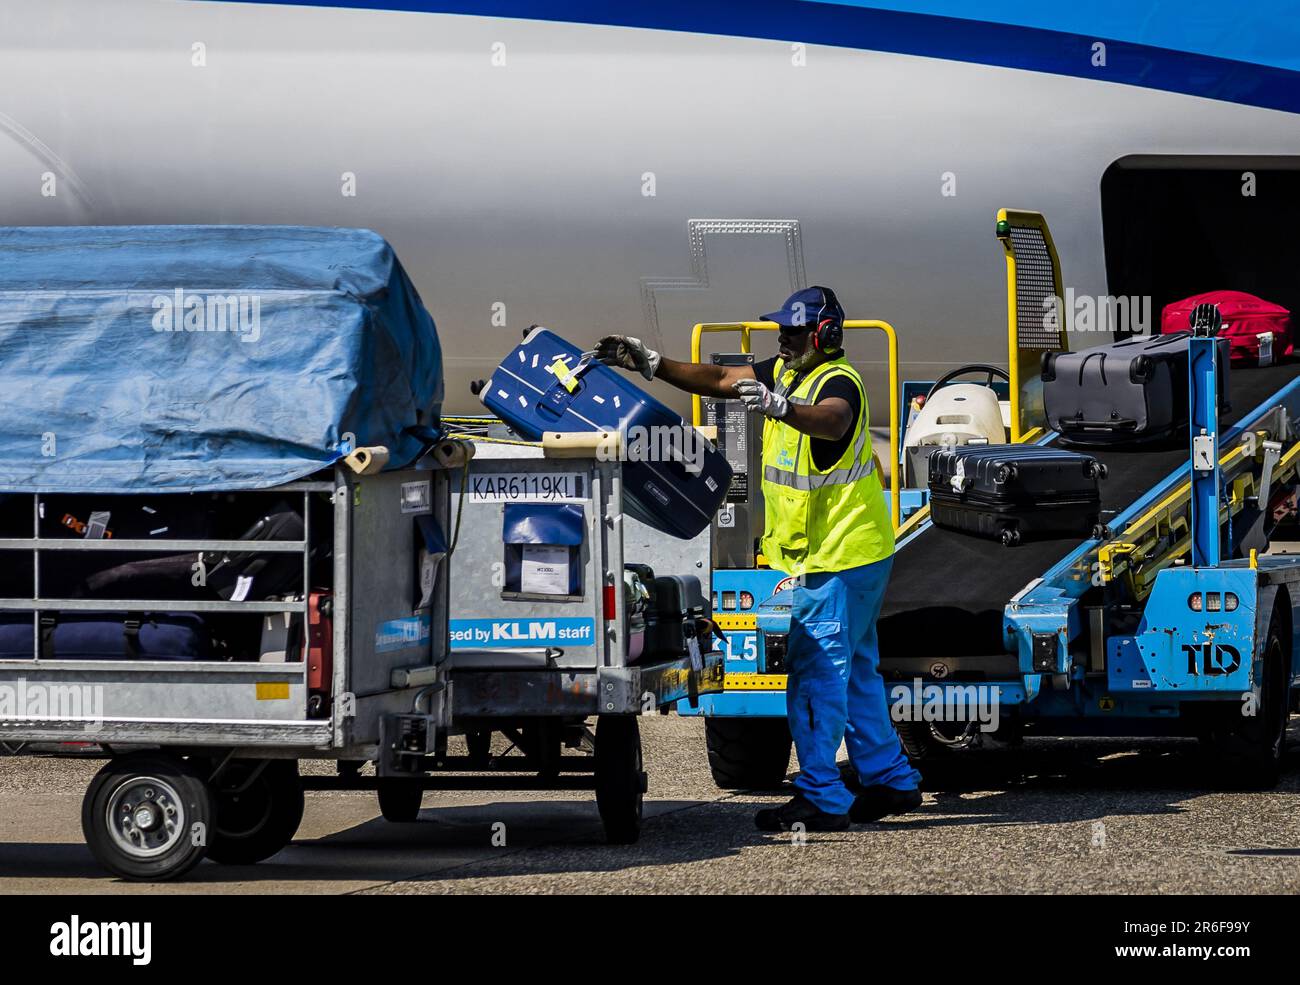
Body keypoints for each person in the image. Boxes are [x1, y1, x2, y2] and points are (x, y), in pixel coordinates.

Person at [594, 286, 921, 831]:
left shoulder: (837, 383)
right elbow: (723, 380)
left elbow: (833, 421)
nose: (781, 340)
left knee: (815, 674)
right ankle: (890, 779)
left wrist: (780, 407)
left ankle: (822, 794)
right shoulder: (789, 370)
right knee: (857, 670)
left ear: (823, 336)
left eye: (791, 333)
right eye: (780, 332)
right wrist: (652, 363)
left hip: (839, 556)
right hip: (851, 554)